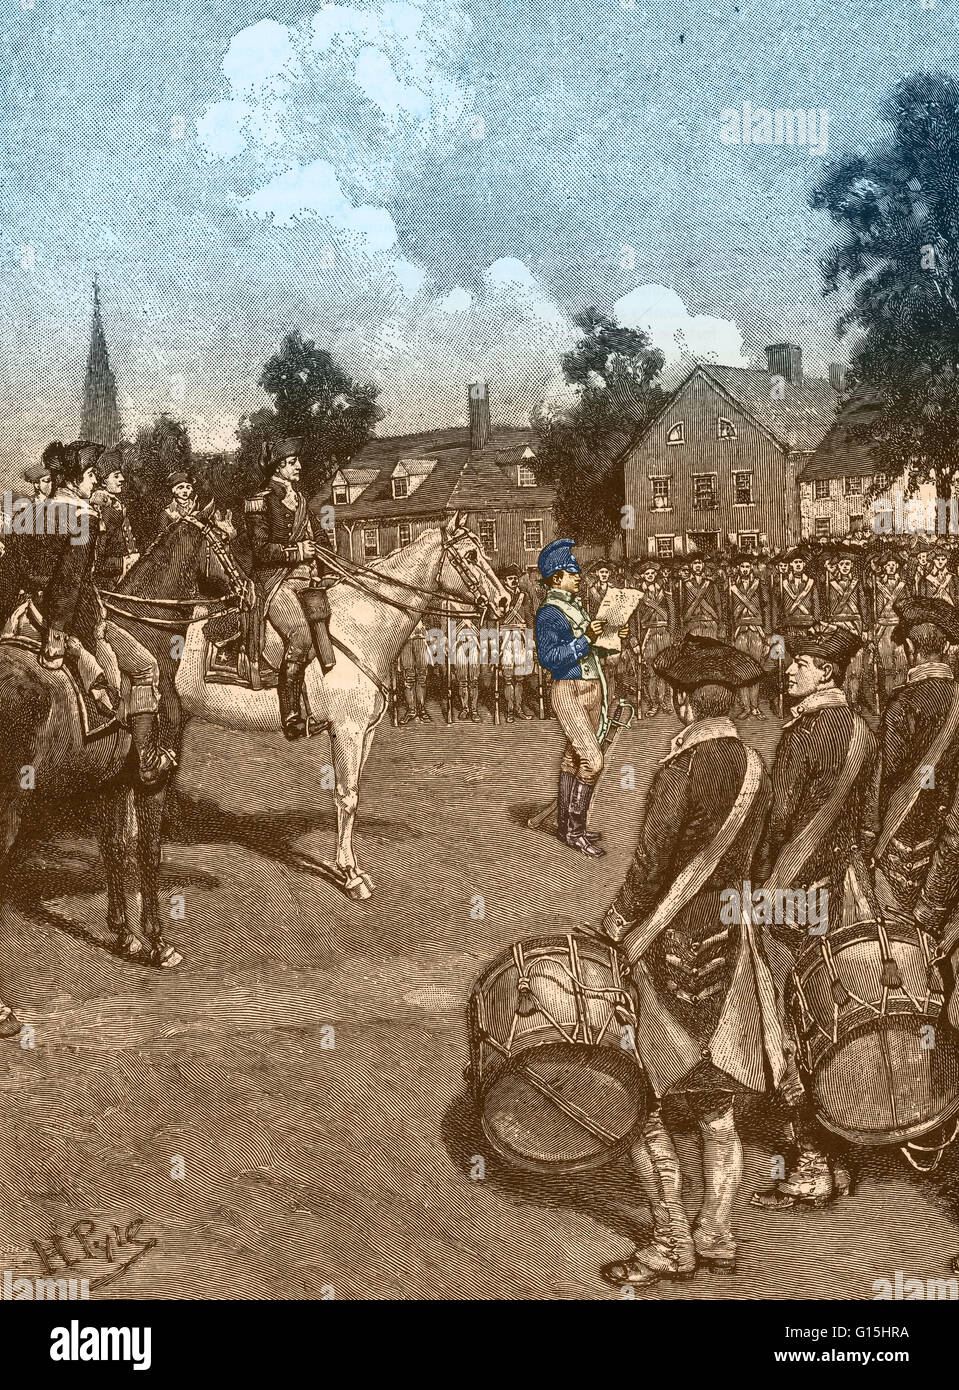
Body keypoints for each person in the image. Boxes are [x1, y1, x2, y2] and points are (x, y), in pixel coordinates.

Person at [598, 634, 784, 1287]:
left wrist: (617, 922)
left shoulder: (678, 770)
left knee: (647, 1104)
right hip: (729, 950)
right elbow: (761, 862)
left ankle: (669, 1243)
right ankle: (718, 1233)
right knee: (716, 1109)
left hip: (668, 951)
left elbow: (650, 868)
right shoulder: (755, 766)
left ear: (683, 705)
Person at [751, 623, 878, 1211]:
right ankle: (840, 1152)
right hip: (844, 882)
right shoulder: (856, 725)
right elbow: (869, 813)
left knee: (794, 1016)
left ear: (827, 673)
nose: (790, 670)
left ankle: (814, 1162)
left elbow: (783, 815)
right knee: (830, 1011)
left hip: (799, 887)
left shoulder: (813, 731)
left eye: (802, 663)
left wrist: (768, 883)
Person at [27, 441, 174, 786]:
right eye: (91, 475)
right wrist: (59, 633)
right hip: (77, 618)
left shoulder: (33, 513)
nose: (94, 482)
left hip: (32, 612)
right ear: (75, 478)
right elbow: (72, 581)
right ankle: (147, 761)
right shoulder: (84, 517)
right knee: (145, 667)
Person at [534, 538, 628, 858]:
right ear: (556, 578)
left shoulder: (575, 605)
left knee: (573, 758)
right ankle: (574, 831)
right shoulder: (549, 613)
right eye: (573, 573)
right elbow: (550, 658)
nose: (579, 577)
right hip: (569, 688)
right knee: (593, 760)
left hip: (592, 686)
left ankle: (566, 824)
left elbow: (594, 649)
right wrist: (587, 638)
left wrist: (612, 636)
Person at [244, 437, 337, 740]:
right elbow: (260, 552)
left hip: (306, 578)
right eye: (293, 462)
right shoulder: (260, 501)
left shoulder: (301, 499)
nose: (299, 466)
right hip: (275, 582)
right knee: (301, 634)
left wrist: (329, 569)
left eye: (298, 461)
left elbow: (319, 538)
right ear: (279, 466)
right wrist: (299, 552)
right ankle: (292, 718)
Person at [876, 598, 959, 922]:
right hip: (949, 834)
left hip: (903, 835)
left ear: (910, 647)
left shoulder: (902, 702)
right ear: (948, 648)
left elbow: (888, 772)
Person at [727, 554, 770, 719]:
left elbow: (766, 609)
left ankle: (755, 706)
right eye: (742, 566)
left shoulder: (760, 585)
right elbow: (728, 612)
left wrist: (766, 633)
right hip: (739, 633)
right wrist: (730, 635)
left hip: (756, 631)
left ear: (751, 568)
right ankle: (745, 707)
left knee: (756, 670)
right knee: (741, 671)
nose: (744, 569)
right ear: (738, 568)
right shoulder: (732, 587)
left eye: (747, 566)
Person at [630, 561, 674, 716]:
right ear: (643, 576)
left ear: (656, 575)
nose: (650, 576)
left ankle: (663, 702)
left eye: (652, 573)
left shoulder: (665, 591)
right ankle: (654, 704)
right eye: (647, 574)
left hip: (664, 634)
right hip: (647, 636)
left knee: (663, 671)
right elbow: (633, 619)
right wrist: (634, 640)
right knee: (651, 673)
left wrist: (673, 634)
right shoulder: (638, 595)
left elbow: (672, 614)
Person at [92, 446, 139, 588]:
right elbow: (96, 561)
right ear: (102, 481)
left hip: (122, 576)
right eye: (116, 476)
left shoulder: (115, 505)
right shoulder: (103, 509)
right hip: (107, 583)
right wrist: (124, 562)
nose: (122, 479)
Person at [498, 567, 533, 722]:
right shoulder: (499, 596)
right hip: (504, 639)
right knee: (507, 678)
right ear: (505, 581)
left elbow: (529, 617)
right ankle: (510, 710)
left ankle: (518, 709)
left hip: (521, 637)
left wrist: (531, 638)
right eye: (510, 578)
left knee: (519, 677)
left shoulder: (523, 596)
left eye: (515, 578)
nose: (514, 580)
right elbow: (494, 620)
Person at [872, 555, 909, 701]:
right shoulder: (877, 585)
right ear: (884, 568)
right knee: (887, 667)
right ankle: (888, 699)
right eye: (888, 565)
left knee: (901, 665)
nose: (891, 567)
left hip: (899, 629)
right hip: (883, 629)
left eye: (894, 564)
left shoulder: (903, 586)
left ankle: (900, 698)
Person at [678, 557, 724, 640]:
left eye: (699, 563)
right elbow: (680, 607)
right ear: (691, 565)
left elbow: (718, 604)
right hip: (691, 626)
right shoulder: (684, 585)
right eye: (695, 563)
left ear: (703, 565)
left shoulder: (711, 584)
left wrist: (720, 622)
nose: (697, 566)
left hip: (710, 624)